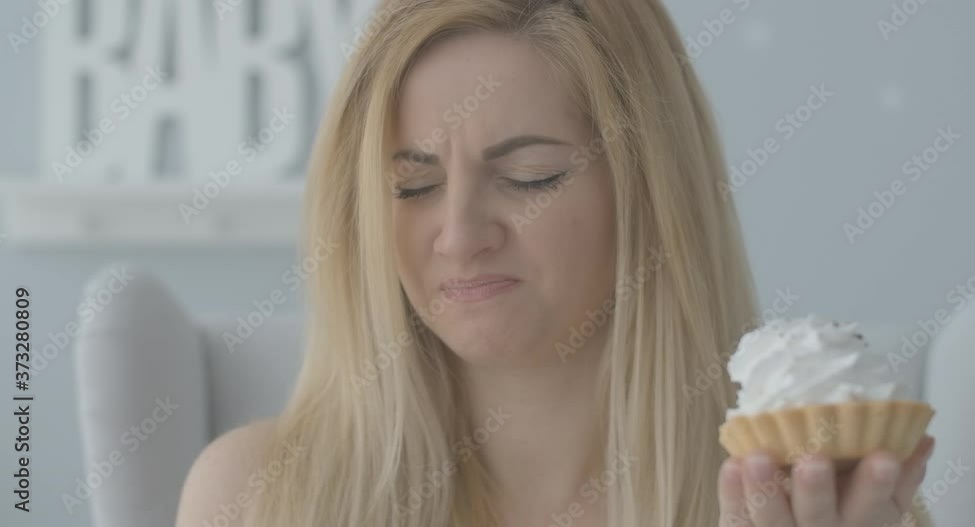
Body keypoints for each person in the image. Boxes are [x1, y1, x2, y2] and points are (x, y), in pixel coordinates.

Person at [176, 1, 934, 525]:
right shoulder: (252, 497)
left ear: (649, 193)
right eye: (413, 185)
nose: (459, 234)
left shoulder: (825, 499)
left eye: (529, 176)